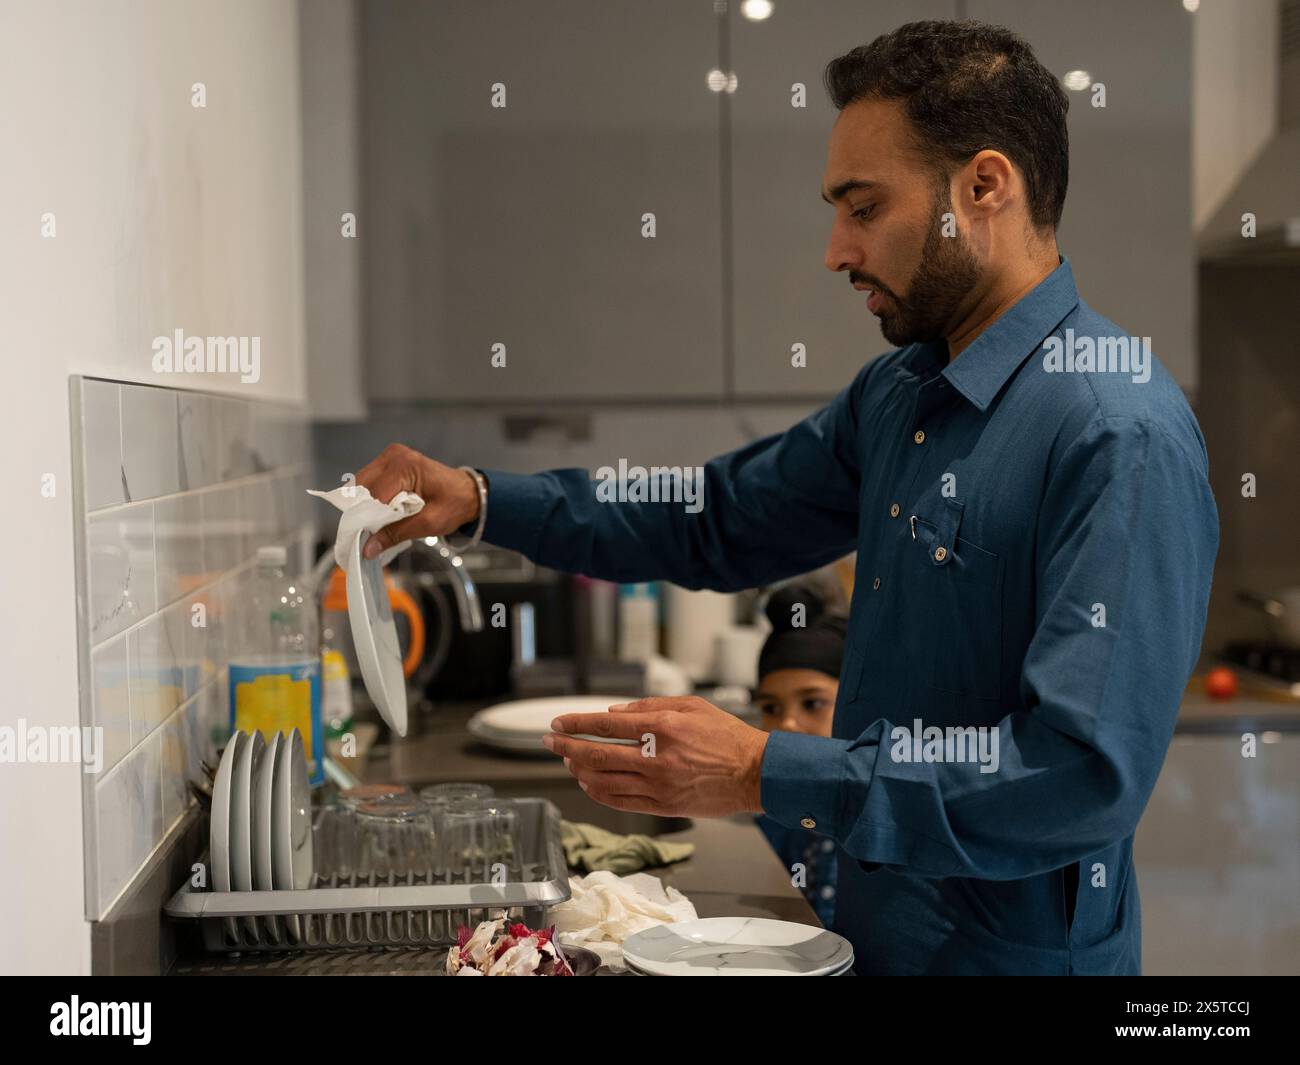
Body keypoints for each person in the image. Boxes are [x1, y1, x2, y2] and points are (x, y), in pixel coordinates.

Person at [353, 20, 1218, 974]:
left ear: (984, 187)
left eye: (864, 206)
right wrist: (479, 497)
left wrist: (763, 769)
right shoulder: (898, 396)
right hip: (864, 939)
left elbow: (1078, 778)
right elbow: (714, 514)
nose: (836, 249)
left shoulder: (1117, 431)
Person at [751, 584, 847, 927]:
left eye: (813, 703)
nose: (787, 723)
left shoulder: (876, 821)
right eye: (771, 707)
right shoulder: (773, 818)